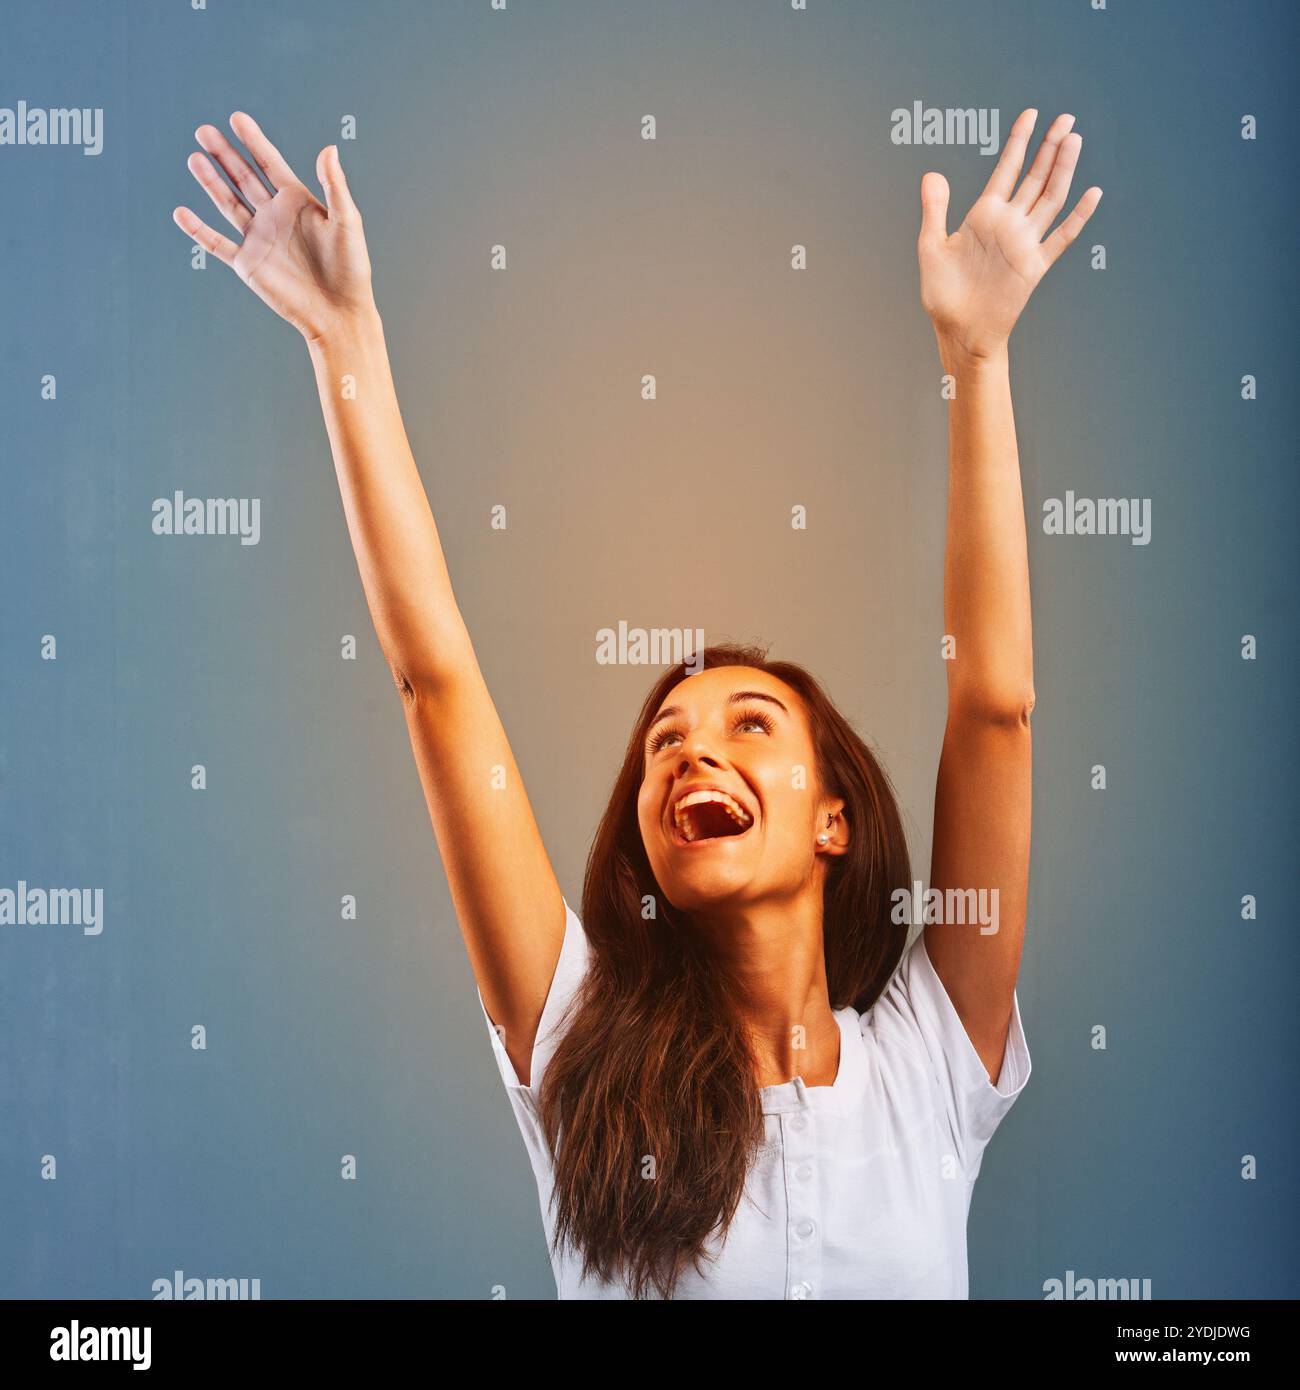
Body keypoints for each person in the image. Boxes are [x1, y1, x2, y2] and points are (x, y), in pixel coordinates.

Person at [172, 107, 1100, 1299]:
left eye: (747, 726)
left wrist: (976, 358)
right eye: (664, 742)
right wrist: (341, 337)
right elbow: (433, 678)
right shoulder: (577, 1054)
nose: (687, 757)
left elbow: (992, 710)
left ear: (834, 821)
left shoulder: (929, 1058)